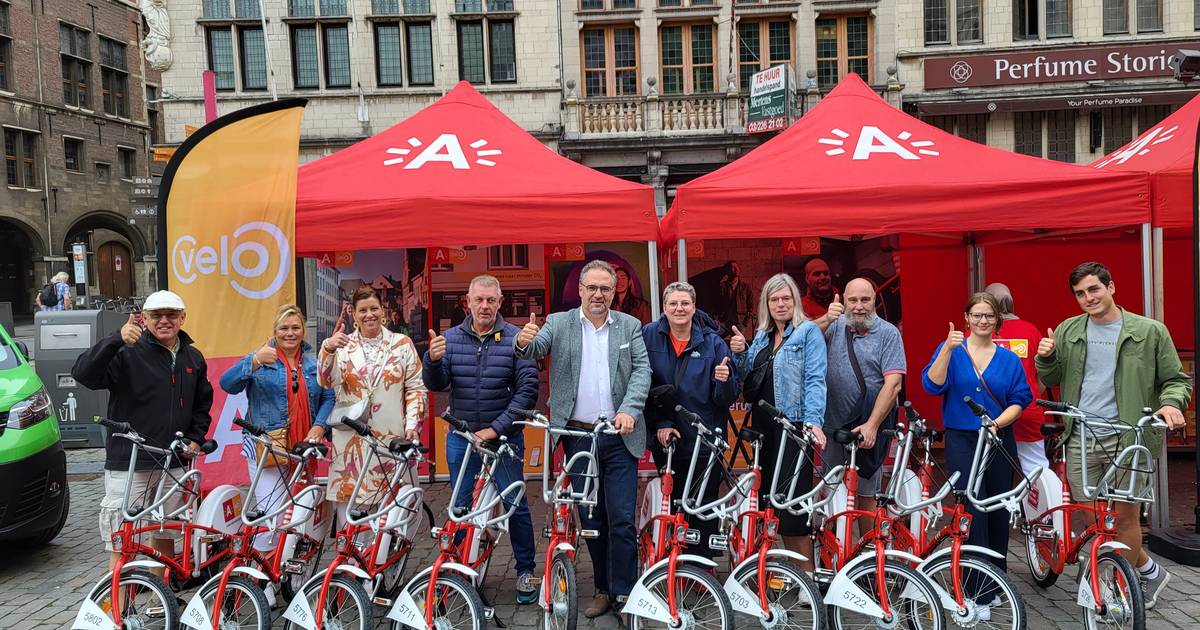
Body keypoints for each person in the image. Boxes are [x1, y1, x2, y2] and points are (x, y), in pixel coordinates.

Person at [1036, 261, 1192, 609]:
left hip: (1130, 436)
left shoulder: (1149, 330)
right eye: (1080, 293)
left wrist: (1169, 404)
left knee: (1124, 517)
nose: (1088, 297)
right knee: (1092, 517)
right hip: (1082, 434)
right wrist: (1045, 359)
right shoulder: (1067, 330)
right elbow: (1051, 376)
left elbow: (1176, 380)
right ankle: (1144, 570)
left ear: (1111, 287)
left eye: (1094, 289)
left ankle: (1120, 583)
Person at [515, 259, 650, 625]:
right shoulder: (559, 324)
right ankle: (603, 589)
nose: (598, 294)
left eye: (605, 288)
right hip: (577, 437)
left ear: (613, 291)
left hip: (619, 437)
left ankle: (625, 593)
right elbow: (536, 348)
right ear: (580, 290)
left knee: (621, 519)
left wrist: (630, 410)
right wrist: (523, 340)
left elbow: (642, 371)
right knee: (592, 519)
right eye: (591, 287)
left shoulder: (629, 326)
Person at [71, 290, 212, 570]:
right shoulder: (126, 350)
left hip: (172, 462)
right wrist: (114, 340)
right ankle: (118, 608)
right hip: (130, 462)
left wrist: (196, 438)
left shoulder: (193, 358)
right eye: (156, 315)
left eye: (171, 315)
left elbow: (202, 403)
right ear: (144, 318)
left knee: (165, 533)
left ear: (182, 318)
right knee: (122, 539)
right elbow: (83, 373)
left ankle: (159, 602)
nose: (164, 321)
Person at [423, 275, 540, 605]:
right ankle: (458, 567)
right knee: (460, 506)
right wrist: (431, 361)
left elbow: (527, 392)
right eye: (479, 300)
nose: (485, 306)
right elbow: (438, 384)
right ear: (468, 301)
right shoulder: (450, 339)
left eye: (491, 300)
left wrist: (497, 429)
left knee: (514, 506)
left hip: (502, 440)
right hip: (462, 438)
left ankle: (525, 570)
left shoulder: (517, 339)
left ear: (500, 302)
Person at [922, 292, 1031, 608]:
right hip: (963, 441)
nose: (983, 321)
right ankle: (975, 591)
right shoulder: (953, 352)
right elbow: (932, 384)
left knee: (996, 509)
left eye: (989, 316)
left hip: (997, 439)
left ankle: (997, 585)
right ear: (966, 318)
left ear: (997, 320)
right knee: (971, 510)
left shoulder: (1009, 359)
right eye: (977, 315)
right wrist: (945, 348)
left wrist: (996, 424)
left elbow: (1020, 399)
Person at [729, 273, 827, 571]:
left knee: (792, 505)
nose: (780, 304)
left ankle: (807, 575)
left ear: (795, 301)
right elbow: (749, 373)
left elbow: (815, 379)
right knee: (768, 503)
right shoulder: (761, 335)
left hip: (792, 428)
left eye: (786, 298)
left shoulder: (808, 332)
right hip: (762, 429)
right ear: (766, 304)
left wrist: (813, 422)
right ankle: (778, 570)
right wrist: (739, 352)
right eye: (774, 299)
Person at [219, 304, 334, 553]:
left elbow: (329, 397)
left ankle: (288, 569)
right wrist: (254, 361)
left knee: (299, 510)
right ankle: (263, 576)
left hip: (303, 449)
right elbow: (227, 383)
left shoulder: (314, 365)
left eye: (295, 327)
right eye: (284, 328)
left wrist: (319, 426)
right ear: (275, 331)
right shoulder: (262, 358)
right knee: (272, 515)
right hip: (267, 449)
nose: (289, 333)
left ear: (303, 331)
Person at [641, 281, 739, 559]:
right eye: (673, 303)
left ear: (694, 307)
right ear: (664, 307)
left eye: (685, 303)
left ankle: (701, 567)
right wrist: (660, 423)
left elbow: (727, 397)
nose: (679, 308)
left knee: (703, 504)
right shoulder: (648, 336)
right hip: (667, 436)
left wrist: (724, 381)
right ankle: (673, 560)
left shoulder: (713, 342)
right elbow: (642, 386)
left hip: (705, 437)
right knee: (672, 502)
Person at [319, 286, 427, 515]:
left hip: (392, 436)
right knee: (352, 520)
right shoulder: (341, 346)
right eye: (363, 310)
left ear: (383, 311)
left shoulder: (402, 344)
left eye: (374, 308)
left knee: (391, 516)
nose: (369, 314)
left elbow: (416, 388)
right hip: (352, 442)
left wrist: (412, 427)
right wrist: (327, 349)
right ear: (353, 313)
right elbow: (325, 381)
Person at [816, 278, 905, 523]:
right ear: (843, 301)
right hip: (833, 425)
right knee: (830, 493)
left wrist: (873, 425)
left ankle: (866, 557)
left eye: (865, 300)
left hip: (869, 425)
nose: (858, 306)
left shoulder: (889, 333)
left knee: (867, 494)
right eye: (852, 300)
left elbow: (894, 383)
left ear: (874, 300)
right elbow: (799, 339)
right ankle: (833, 557)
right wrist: (826, 319)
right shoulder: (834, 326)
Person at [984, 282, 1050, 476]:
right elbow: (1046, 373)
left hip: (990, 414)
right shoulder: (1030, 330)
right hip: (1027, 410)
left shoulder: (977, 331)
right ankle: (1044, 506)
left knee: (989, 472)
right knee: (1036, 470)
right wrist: (1032, 393)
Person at [716, 261, 753, 337]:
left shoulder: (745, 287)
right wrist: (716, 319)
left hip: (739, 322)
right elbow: (715, 304)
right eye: (732, 267)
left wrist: (745, 323)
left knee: (738, 346)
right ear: (727, 271)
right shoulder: (721, 287)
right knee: (717, 343)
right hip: (724, 322)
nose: (735, 269)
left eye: (737, 267)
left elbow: (750, 306)